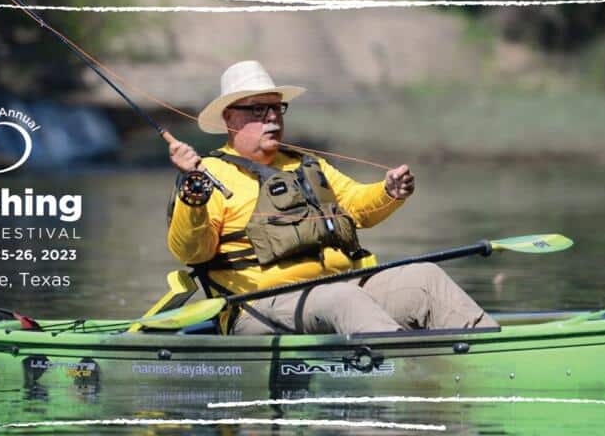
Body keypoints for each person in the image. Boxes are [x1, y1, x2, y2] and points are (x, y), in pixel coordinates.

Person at [167, 60, 497, 335]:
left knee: (424, 277)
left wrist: (388, 192)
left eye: (276, 107)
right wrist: (193, 196)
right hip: (258, 307)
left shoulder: (307, 164)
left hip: (344, 286)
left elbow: (356, 206)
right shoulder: (207, 174)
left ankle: (494, 356)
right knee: (341, 299)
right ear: (230, 118)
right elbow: (191, 251)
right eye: (257, 109)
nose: (271, 117)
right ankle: (406, 373)